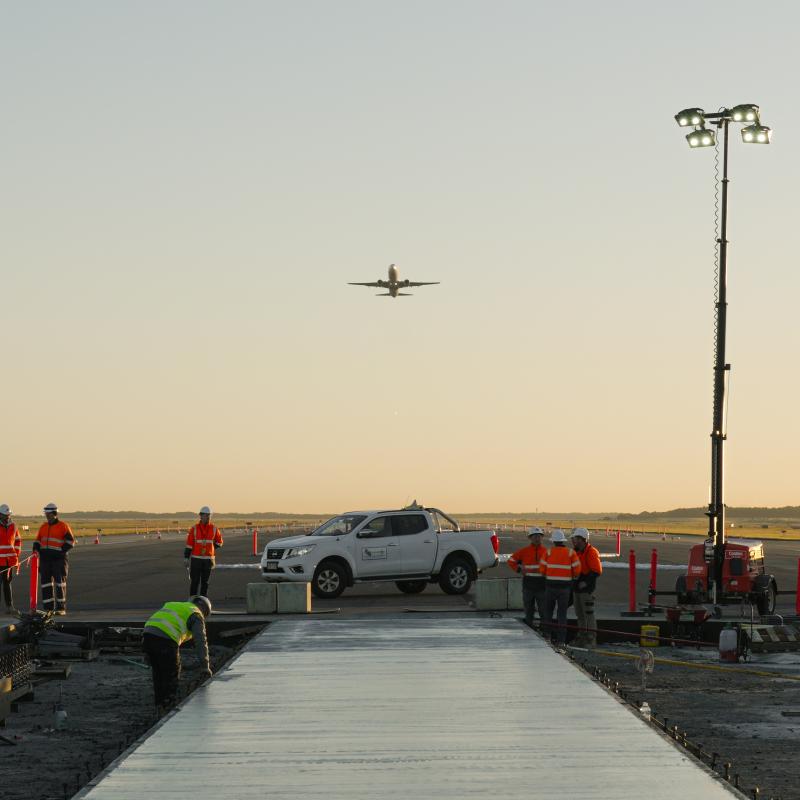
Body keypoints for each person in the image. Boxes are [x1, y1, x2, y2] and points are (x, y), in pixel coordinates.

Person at [142, 595, 213, 710]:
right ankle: (168, 705)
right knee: (171, 673)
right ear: (204, 609)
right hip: (166, 639)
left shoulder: (175, 605)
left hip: (147, 635)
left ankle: (159, 705)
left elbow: (154, 624)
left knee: (158, 673)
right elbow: (200, 641)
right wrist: (205, 666)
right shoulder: (196, 614)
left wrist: (146, 652)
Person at [33, 502, 75, 615]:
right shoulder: (43, 526)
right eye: (46, 513)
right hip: (45, 560)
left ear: (54, 513)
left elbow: (70, 542)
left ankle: (61, 608)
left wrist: (61, 552)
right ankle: (49, 609)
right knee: (46, 584)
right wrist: (36, 549)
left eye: (48, 513)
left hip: (59, 560)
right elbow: (37, 540)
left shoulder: (63, 526)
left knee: (60, 583)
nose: (46, 515)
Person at [543, 529, 580, 646]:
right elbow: (577, 570)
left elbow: (541, 569)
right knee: (562, 614)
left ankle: (547, 636)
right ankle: (561, 641)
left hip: (550, 586)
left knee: (548, 612)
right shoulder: (570, 553)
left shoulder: (548, 552)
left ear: (553, 541)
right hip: (565, 588)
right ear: (563, 541)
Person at [507, 527, 548, 626]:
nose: (537, 538)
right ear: (530, 538)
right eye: (535, 536)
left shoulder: (546, 552)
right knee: (529, 610)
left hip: (542, 585)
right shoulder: (524, 551)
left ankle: (545, 631)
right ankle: (529, 628)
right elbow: (511, 561)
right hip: (528, 585)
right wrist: (519, 569)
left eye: (539, 536)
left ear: (541, 538)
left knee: (544, 611)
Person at [571, 527, 603, 648]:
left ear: (582, 539)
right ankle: (582, 637)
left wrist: (585, 582)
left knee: (588, 614)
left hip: (586, 589)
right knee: (580, 614)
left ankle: (591, 639)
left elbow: (596, 571)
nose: (573, 541)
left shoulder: (591, 552)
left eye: (575, 538)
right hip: (576, 587)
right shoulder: (576, 552)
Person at [184, 506, 223, 597]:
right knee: (195, 582)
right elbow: (189, 544)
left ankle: (203, 602)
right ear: (201, 516)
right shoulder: (194, 529)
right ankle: (192, 602)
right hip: (196, 560)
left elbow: (220, 542)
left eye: (208, 515)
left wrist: (211, 548)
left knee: (205, 583)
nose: (207, 517)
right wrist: (186, 557)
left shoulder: (214, 529)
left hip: (208, 560)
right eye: (205, 515)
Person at [0, 504, 22, 613]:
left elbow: (18, 541)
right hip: (0, 561)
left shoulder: (13, 526)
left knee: (7, 583)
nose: (7, 517)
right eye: (5, 515)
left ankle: (10, 607)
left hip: (9, 561)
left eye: (8, 515)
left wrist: (16, 555)